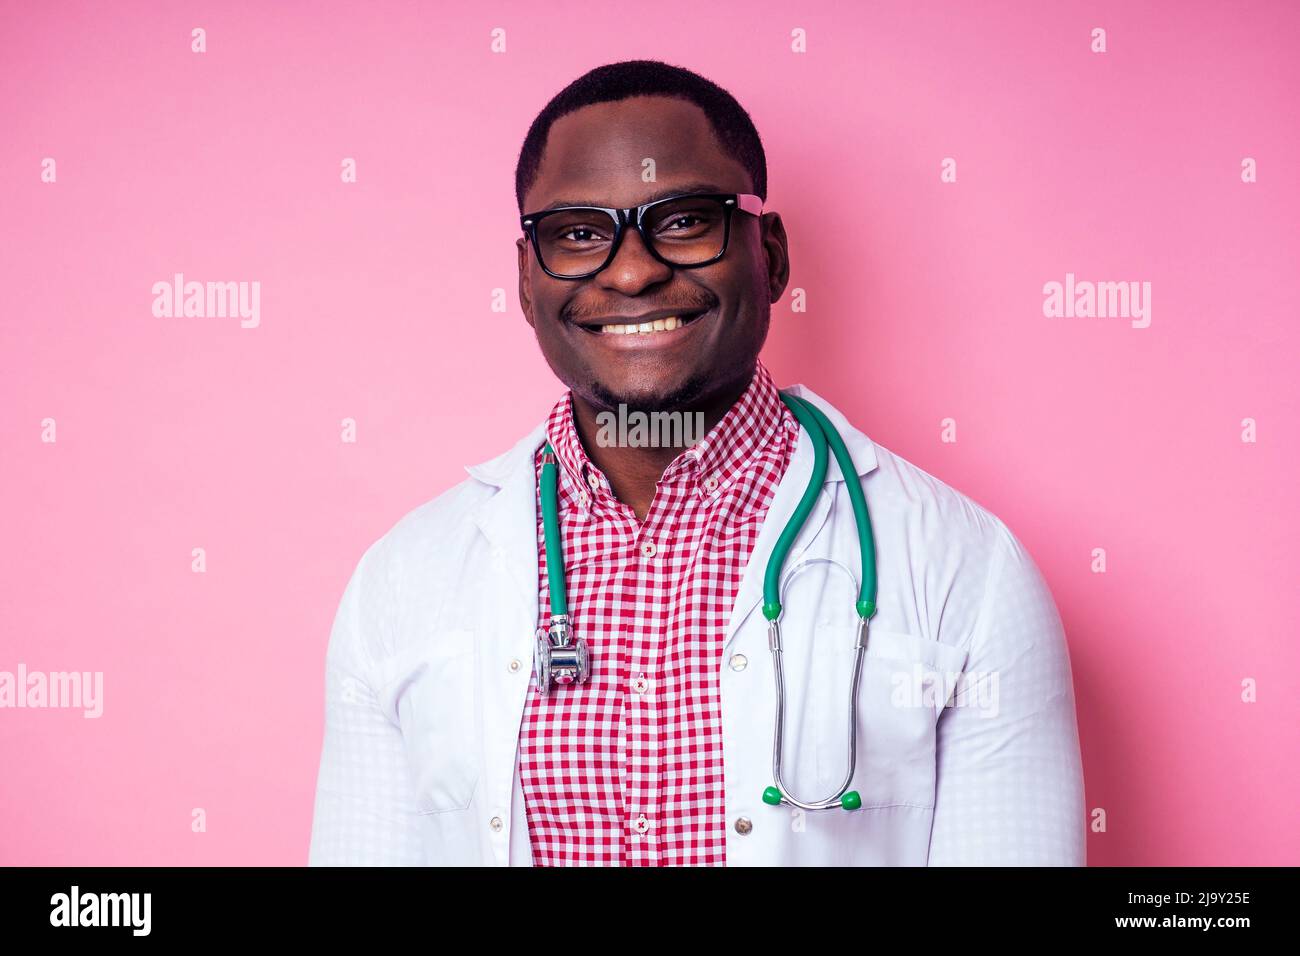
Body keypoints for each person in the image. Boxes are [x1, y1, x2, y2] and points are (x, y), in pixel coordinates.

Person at [307, 59, 1085, 867]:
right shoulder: (401, 583)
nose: (635, 269)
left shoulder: (969, 571)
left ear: (771, 255)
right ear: (525, 279)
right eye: (577, 233)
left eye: (683, 221)